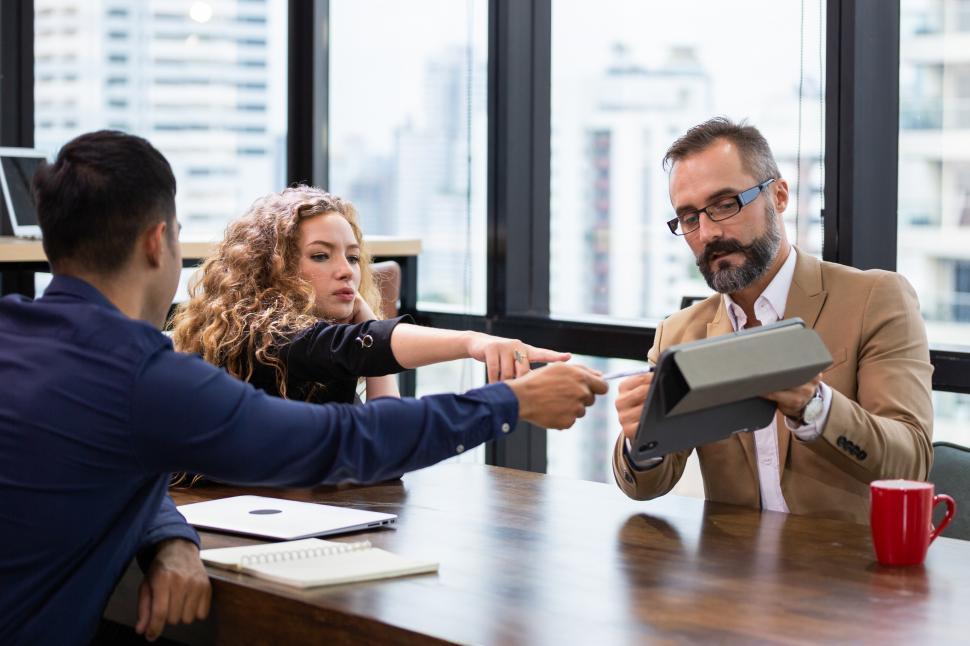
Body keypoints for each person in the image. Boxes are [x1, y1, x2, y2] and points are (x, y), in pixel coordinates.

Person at [0, 130, 607, 645]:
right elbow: (338, 440)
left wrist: (168, 538)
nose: (343, 270)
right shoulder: (144, 376)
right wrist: (512, 400)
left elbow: (119, 457)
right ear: (158, 243)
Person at [612, 117, 933, 524]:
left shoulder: (875, 299)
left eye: (725, 204)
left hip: (848, 560)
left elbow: (911, 462)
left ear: (778, 196)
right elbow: (644, 486)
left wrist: (815, 407)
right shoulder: (679, 333)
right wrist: (641, 441)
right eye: (689, 218)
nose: (707, 233)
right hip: (733, 559)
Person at [171, 186, 559, 407]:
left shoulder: (333, 345)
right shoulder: (261, 337)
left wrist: (368, 323)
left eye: (353, 257)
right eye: (320, 256)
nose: (346, 271)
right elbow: (343, 350)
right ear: (273, 268)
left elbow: (384, 445)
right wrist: (473, 342)